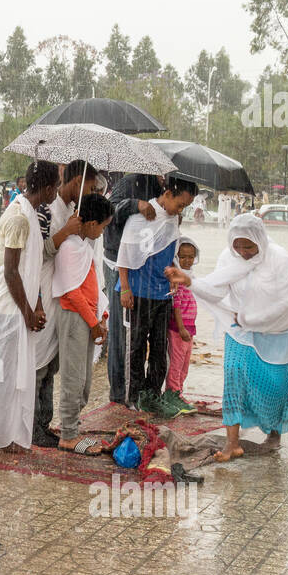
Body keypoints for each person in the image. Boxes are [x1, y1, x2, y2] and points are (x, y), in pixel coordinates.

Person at [165, 214, 288, 462]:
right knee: (234, 374)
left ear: (260, 240)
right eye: (238, 245)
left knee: (275, 385)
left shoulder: (279, 259)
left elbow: (287, 303)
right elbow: (216, 289)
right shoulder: (229, 258)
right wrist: (190, 281)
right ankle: (232, 443)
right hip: (239, 328)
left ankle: (274, 431)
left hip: (277, 330)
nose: (243, 252)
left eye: (249, 246)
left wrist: (251, 318)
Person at [0, 160, 57, 456]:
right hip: (5, 308)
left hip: (19, 305)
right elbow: (11, 272)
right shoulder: (19, 217)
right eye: (57, 187)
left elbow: (30, 269)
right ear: (49, 189)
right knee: (0, 376)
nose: (57, 192)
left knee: (16, 375)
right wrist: (27, 312)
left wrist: (36, 306)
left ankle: (12, 434)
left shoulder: (31, 215)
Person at [31, 160, 100, 449]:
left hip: (62, 296)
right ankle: (31, 424)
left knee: (53, 362)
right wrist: (66, 232)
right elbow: (37, 252)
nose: (92, 192)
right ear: (74, 181)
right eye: (91, 186)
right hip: (45, 290)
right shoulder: (48, 211)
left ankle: (43, 424)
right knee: (38, 363)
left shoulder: (73, 212)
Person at [116, 176, 198, 415]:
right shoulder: (143, 215)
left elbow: (169, 251)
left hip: (163, 293)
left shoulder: (172, 220)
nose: (180, 210)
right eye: (180, 204)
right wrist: (125, 288)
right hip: (139, 291)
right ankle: (135, 396)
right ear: (169, 193)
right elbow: (126, 253)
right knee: (137, 346)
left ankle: (154, 393)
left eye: (185, 207)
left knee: (160, 348)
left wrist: (174, 276)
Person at [52, 193, 114, 450]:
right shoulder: (68, 247)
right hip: (75, 317)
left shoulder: (83, 246)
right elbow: (71, 291)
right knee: (73, 378)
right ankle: (68, 435)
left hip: (88, 318)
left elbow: (91, 288)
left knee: (85, 381)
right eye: (103, 226)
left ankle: (73, 426)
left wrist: (102, 318)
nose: (102, 232)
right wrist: (91, 321)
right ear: (91, 224)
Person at [102, 173, 164, 404]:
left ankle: (142, 392)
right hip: (117, 261)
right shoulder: (131, 182)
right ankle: (119, 393)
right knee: (121, 330)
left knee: (139, 335)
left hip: (142, 266)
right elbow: (109, 211)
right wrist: (135, 204)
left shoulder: (161, 189)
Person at [164, 237, 199, 410]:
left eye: (190, 257)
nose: (187, 260)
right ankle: (172, 393)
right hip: (179, 329)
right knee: (177, 363)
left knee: (185, 363)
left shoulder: (190, 277)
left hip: (188, 328)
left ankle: (179, 393)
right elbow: (176, 305)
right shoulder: (176, 279)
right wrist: (181, 328)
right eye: (183, 257)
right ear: (176, 257)